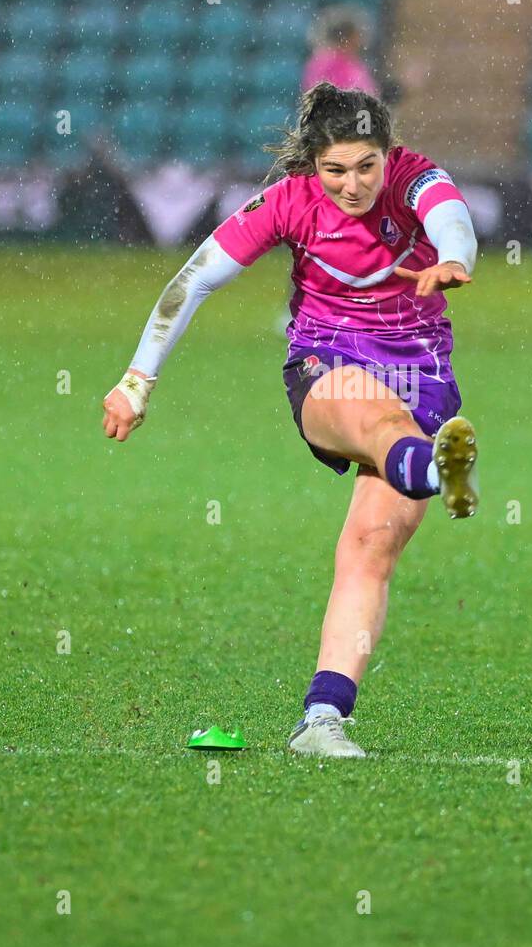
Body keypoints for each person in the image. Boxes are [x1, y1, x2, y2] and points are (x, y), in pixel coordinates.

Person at [102, 82, 479, 758]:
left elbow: (452, 218)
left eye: (367, 166)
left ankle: (322, 719)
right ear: (313, 164)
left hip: (424, 375)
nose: (354, 183)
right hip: (325, 363)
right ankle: (431, 464)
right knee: (376, 416)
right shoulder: (288, 200)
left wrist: (454, 258)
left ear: (386, 154)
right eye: (336, 170)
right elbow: (194, 279)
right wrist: (137, 380)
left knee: (369, 549)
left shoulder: (415, 176)